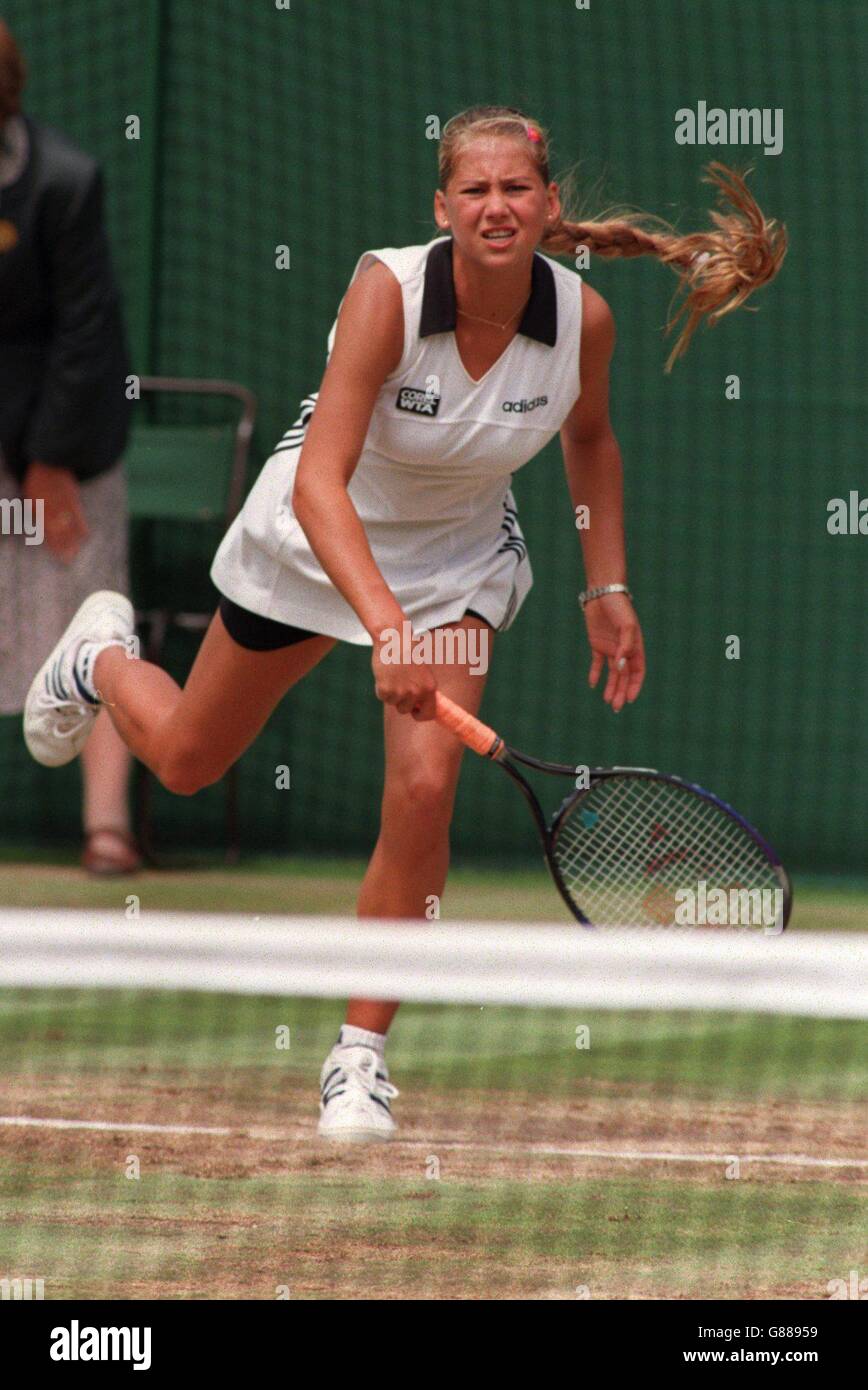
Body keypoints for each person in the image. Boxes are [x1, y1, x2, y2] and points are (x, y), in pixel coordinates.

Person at [22, 106, 786, 1139]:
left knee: (425, 787)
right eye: (474, 190)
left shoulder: (579, 322)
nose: (496, 206)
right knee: (187, 759)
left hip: (457, 566)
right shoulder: (387, 290)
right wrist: (384, 628)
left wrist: (605, 587)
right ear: (442, 206)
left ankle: (359, 1058)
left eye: (516, 188)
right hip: (314, 537)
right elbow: (322, 483)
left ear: (548, 203)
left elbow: (591, 444)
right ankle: (102, 656)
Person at [0, 20, 141, 875]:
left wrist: (49, 463)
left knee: (95, 625)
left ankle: (107, 828)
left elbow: (88, 333)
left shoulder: (64, 180)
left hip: (64, 444)